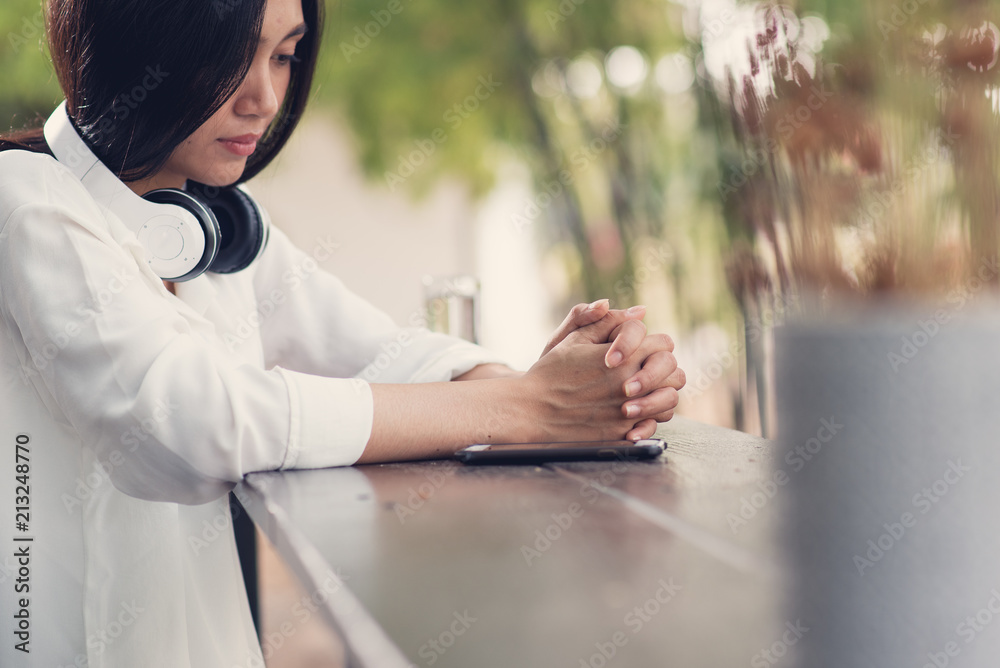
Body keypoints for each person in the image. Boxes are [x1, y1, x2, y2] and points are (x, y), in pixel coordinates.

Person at [0, 0, 685, 665]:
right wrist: (529, 409)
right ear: (143, 44)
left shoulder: (223, 231)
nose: (265, 98)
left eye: (286, 56)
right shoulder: (23, 198)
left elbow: (387, 355)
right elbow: (184, 425)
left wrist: (570, 384)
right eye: (233, 57)